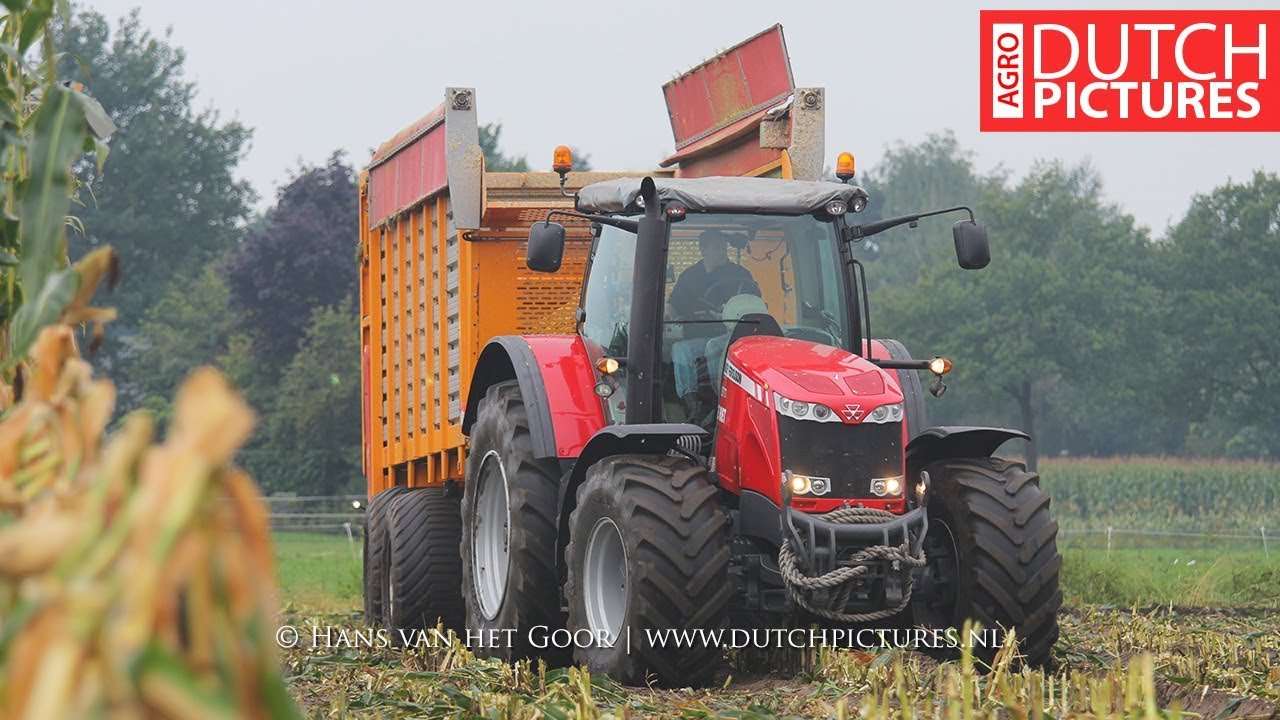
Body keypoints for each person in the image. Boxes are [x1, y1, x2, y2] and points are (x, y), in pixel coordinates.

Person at [667, 230, 760, 422]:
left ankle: (720, 399)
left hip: (735, 336)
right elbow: (673, 305)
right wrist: (670, 313)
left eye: (723, 248)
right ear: (703, 250)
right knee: (680, 349)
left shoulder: (741, 275)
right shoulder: (689, 277)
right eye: (717, 248)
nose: (722, 252)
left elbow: (755, 304)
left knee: (713, 346)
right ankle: (693, 404)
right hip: (700, 335)